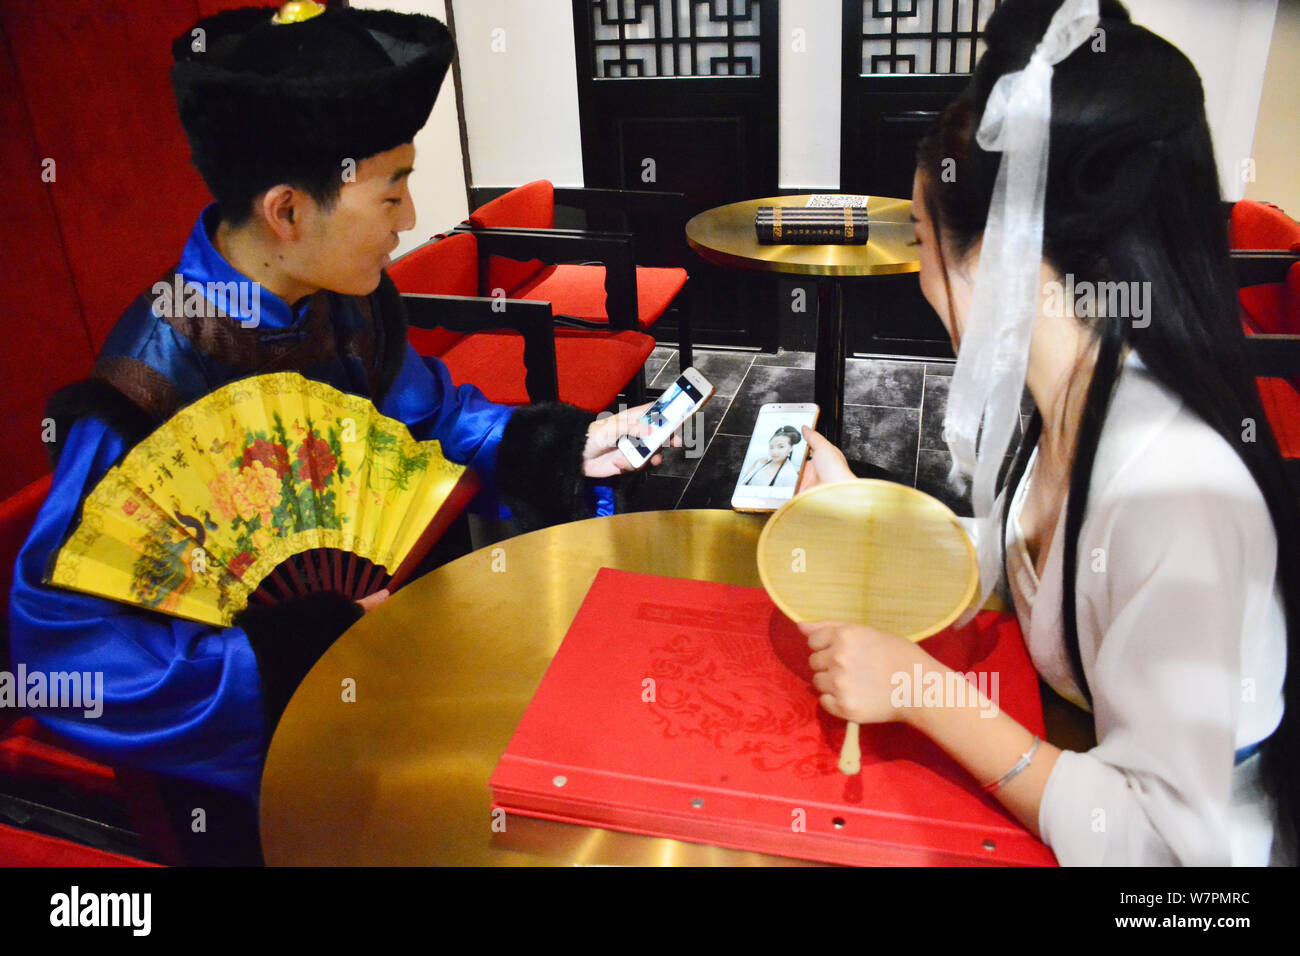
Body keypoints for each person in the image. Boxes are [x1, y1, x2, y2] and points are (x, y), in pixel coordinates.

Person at [7, 3, 674, 862]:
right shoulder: (152, 376)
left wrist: (555, 446)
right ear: (288, 211)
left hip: (393, 691)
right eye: (392, 188)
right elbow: (70, 664)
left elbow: (429, 417)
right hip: (251, 787)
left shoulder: (349, 307)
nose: (408, 217)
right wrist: (291, 655)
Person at [796, 0, 1298, 865]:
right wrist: (862, 515)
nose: (918, 271)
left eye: (921, 238)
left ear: (1006, 250)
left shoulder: (1173, 486)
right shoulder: (1063, 393)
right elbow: (1021, 561)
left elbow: (1163, 850)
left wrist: (920, 691)